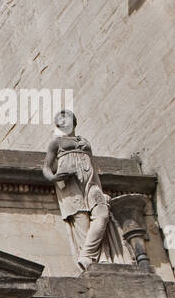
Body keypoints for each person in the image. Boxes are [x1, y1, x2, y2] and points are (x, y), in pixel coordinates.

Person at [41, 110, 119, 269]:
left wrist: (100, 189)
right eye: (60, 120)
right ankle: (91, 262)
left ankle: (87, 255)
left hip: (91, 184)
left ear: (74, 121)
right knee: (81, 219)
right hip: (70, 185)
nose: (63, 121)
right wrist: (55, 178)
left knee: (102, 215)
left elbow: (93, 167)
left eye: (66, 118)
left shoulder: (85, 142)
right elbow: (46, 168)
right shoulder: (56, 144)